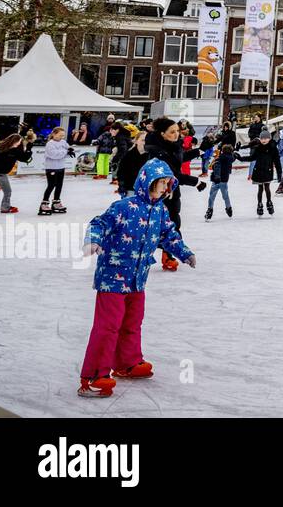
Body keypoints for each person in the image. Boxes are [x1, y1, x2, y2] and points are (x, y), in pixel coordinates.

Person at [77, 158, 196, 398]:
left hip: (137, 279)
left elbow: (169, 235)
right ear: (147, 183)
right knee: (108, 326)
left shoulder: (160, 210)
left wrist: (184, 253)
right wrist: (93, 240)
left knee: (132, 322)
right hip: (112, 277)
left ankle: (127, 363)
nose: (164, 188)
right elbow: (99, 224)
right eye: (160, 183)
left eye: (167, 183)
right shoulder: (124, 206)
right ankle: (93, 376)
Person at [143, 117, 204, 269]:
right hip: (159, 195)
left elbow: (180, 157)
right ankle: (146, 256)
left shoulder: (172, 146)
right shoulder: (159, 152)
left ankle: (167, 256)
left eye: (177, 131)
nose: (176, 134)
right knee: (156, 226)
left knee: (173, 225)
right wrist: (196, 182)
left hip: (172, 194)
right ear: (163, 134)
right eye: (172, 132)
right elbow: (173, 174)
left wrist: (198, 151)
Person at [236, 129, 280, 217]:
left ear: (269, 138)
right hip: (259, 170)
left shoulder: (273, 148)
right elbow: (251, 158)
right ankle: (259, 204)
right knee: (260, 188)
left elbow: (277, 161)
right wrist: (240, 158)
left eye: (266, 138)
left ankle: (269, 202)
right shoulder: (258, 147)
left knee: (267, 187)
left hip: (268, 170)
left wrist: (279, 174)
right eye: (262, 138)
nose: (264, 140)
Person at [0, 133, 34, 215]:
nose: (19, 143)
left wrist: (29, 147)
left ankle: (5, 208)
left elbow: (24, 158)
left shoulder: (16, 151)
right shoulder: (0, 149)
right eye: (19, 141)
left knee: (8, 191)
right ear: (14, 141)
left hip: (2, 174)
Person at [40, 127, 74, 215]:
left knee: (59, 185)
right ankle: (44, 203)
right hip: (51, 167)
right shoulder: (50, 144)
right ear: (54, 134)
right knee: (51, 185)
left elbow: (67, 147)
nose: (61, 137)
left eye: (63, 136)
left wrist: (70, 149)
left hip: (61, 167)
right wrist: (66, 152)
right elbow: (54, 155)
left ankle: (56, 203)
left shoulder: (63, 142)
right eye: (60, 135)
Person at [205, 142, 236, 219]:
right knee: (225, 196)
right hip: (224, 180)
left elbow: (217, 167)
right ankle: (229, 208)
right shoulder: (230, 158)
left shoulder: (220, 158)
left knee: (212, 196)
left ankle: (209, 210)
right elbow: (233, 157)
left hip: (217, 180)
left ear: (222, 150)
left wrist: (217, 176)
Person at [115, 131, 150, 196]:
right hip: (130, 188)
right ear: (136, 141)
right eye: (143, 140)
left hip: (147, 189)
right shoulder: (128, 155)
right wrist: (122, 184)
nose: (145, 142)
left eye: (147, 140)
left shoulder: (151, 156)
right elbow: (121, 171)